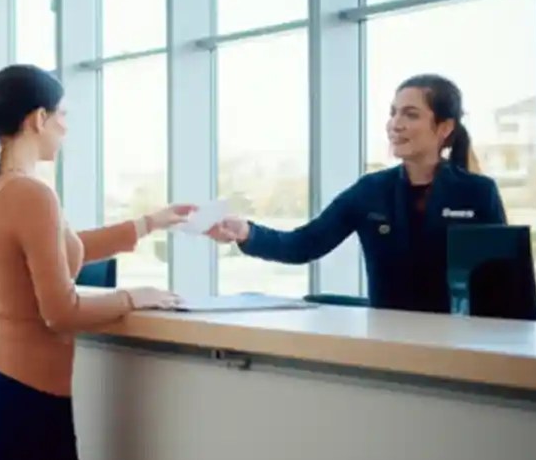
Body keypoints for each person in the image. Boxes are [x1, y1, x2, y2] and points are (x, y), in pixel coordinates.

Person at [0, 64, 193, 460]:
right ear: (38, 119)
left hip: (1, 388)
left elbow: (63, 248)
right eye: (62, 114)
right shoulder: (31, 193)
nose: (66, 126)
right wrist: (133, 297)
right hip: (21, 395)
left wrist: (148, 223)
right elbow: (60, 311)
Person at [207, 73, 507, 313]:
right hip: (387, 340)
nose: (396, 124)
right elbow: (304, 244)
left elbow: (504, 280)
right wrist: (246, 232)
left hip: (461, 342)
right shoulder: (371, 190)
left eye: (411, 115)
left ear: (444, 127)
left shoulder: (478, 192)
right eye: (393, 113)